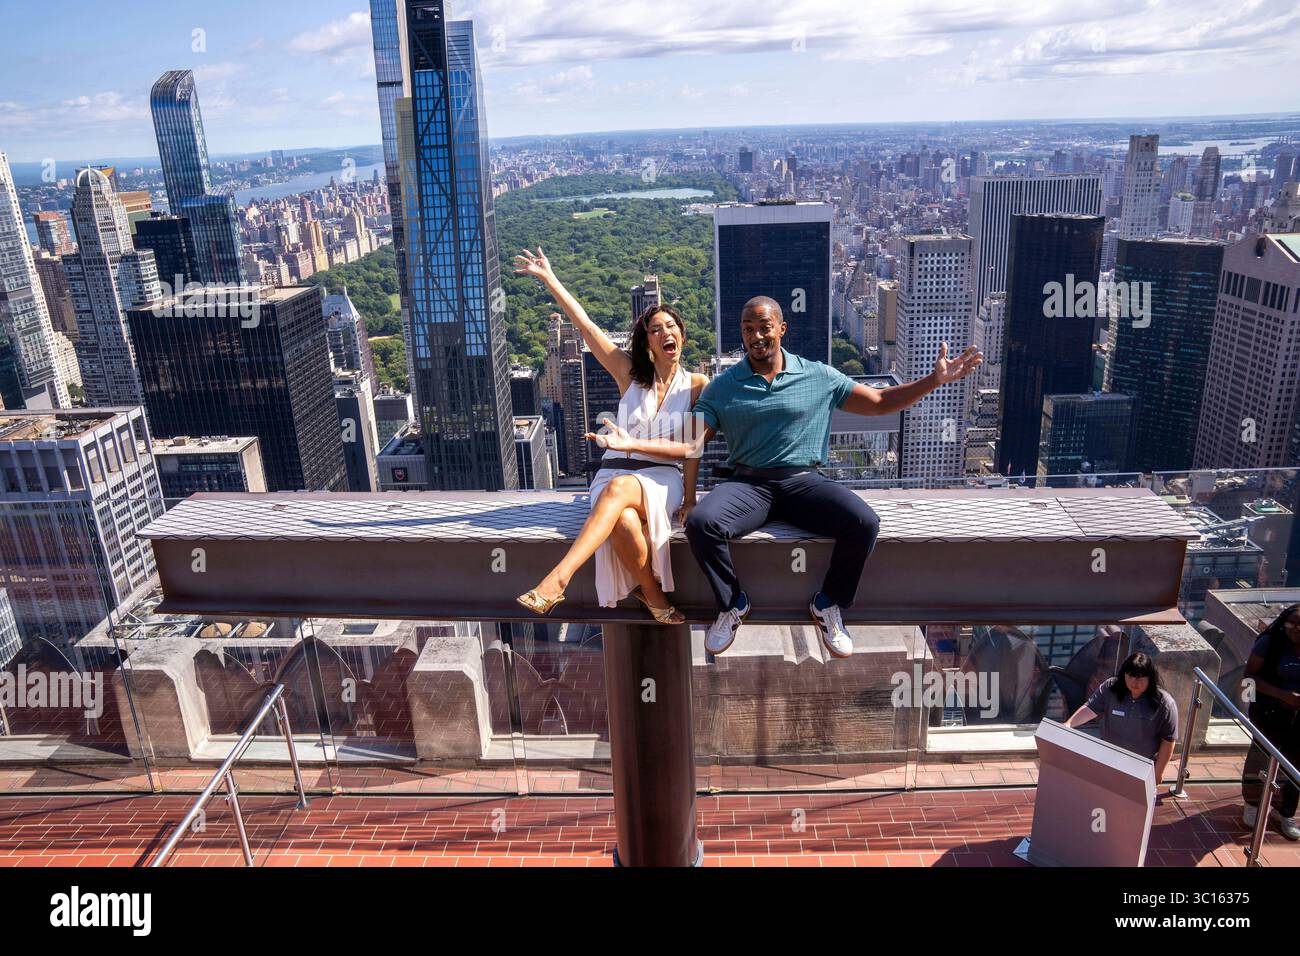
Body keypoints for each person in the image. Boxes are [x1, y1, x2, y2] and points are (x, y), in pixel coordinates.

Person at [683, 295, 982, 657]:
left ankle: (828, 604)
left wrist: (933, 381)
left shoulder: (817, 375)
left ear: (782, 328)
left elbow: (880, 402)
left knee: (863, 522)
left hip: (803, 482)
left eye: (764, 327)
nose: (756, 336)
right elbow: (689, 443)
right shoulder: (724, 386)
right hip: (748, 483)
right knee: (701, 523)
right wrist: (651, 462)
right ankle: (732, 604)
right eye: (748, 329)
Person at [513, 246, 708, 624]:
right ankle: (654, 595)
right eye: (655, 330)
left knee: (618, 491)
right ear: (649, 344)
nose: (664, 332)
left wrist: (689, 498)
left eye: (670, 326)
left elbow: (691, 447)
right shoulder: (628, 375)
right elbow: (586, 327)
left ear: (681, 335)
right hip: (613, 472)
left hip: (661, 478)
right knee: (622, 520)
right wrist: (549, 278)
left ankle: (558, 579)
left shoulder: (700, 385)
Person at [1067, 653, 1179, 796]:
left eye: (1140, 677)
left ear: (1150, 678)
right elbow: (1090, 709)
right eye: (1130, 675)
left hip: (1141, 765)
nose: (1134, 681)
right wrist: (1069, 724)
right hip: (1108, 758)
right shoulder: (1110, 688)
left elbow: (1168, 741)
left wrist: (1158, 772)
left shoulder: (1165, 703)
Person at [1239, 603, 1300, 840]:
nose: (1296, 629)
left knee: (1295, 762)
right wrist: (1281, 695)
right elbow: (1249, 676)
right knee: (1262, 756)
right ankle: (1252, 804)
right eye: (1292, 623)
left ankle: (1285, 812)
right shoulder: (1270, 643)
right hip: (1269, 712)